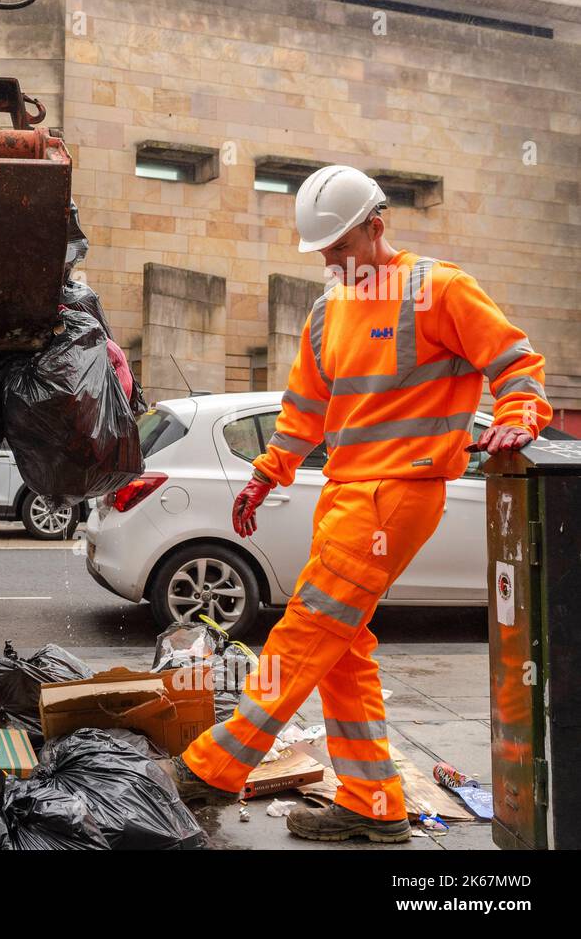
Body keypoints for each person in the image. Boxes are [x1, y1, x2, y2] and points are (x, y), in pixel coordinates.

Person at [164, 165, 551, 843]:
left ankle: (214, 767)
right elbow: (305, 409)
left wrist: (521, 409)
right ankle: (374, 804)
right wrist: (268, 472)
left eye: (342, 247)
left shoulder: (439, 290)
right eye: (324, 252)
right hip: (345, 494)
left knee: (306, 630)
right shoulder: (326, 312)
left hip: (398, 494)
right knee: (342, 650)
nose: (334, 263)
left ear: (378, 226)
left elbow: (514, 359)